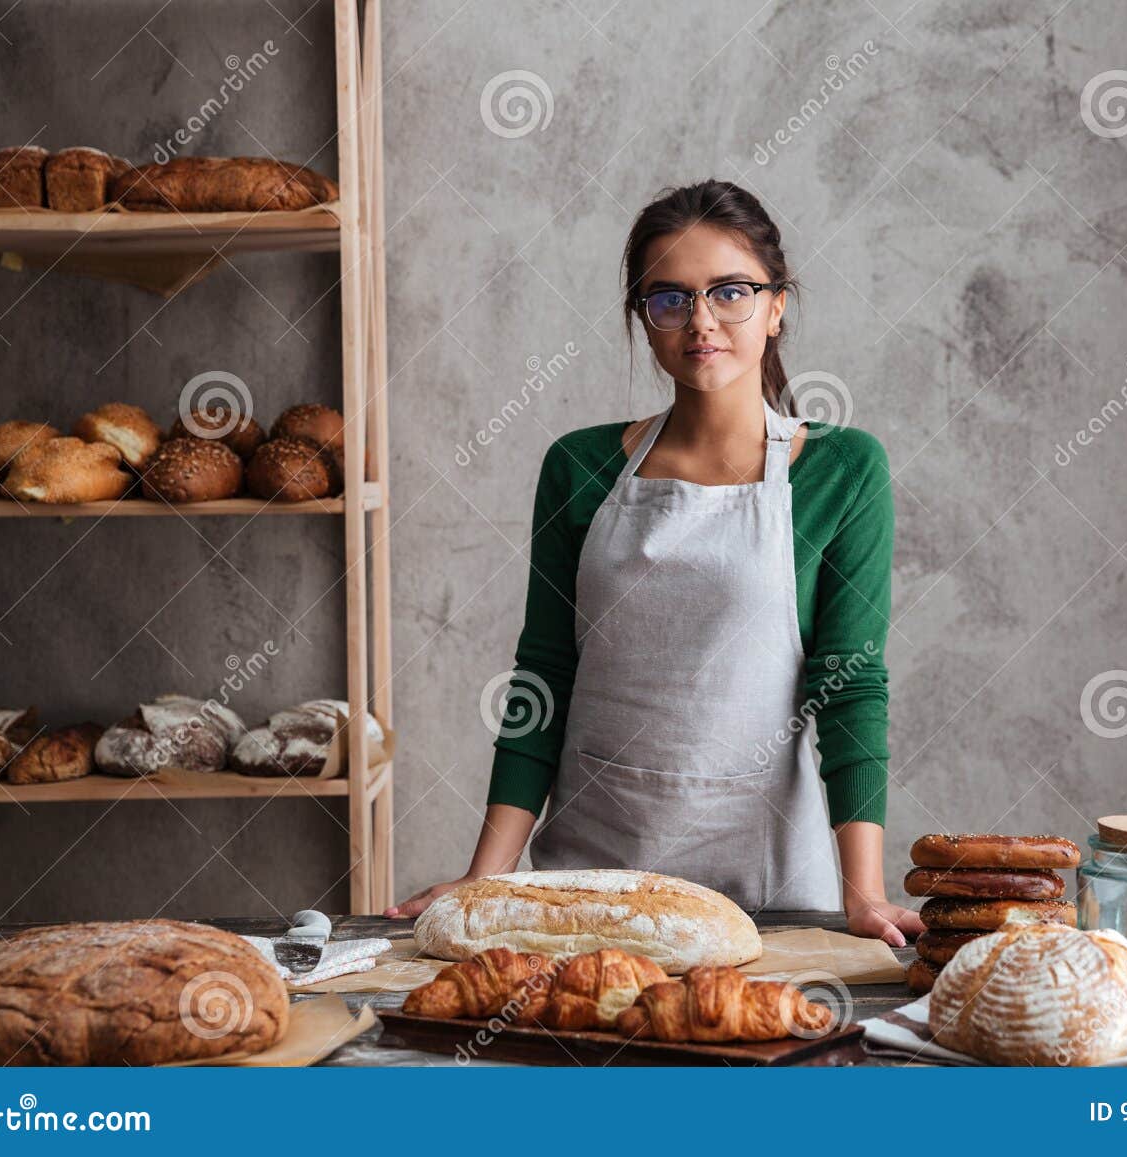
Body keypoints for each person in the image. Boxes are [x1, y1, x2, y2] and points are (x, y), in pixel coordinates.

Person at [389, 179, 921, 945]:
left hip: (768, 896)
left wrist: (863, 893)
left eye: (729, 292)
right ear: (644, 319)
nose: (700, 321)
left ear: (776, 307)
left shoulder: (842, 470)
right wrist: (487, 876)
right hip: (592, 885)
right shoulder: (579, 466)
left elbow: (850, 686)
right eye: (668, 299)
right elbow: (544, 674)